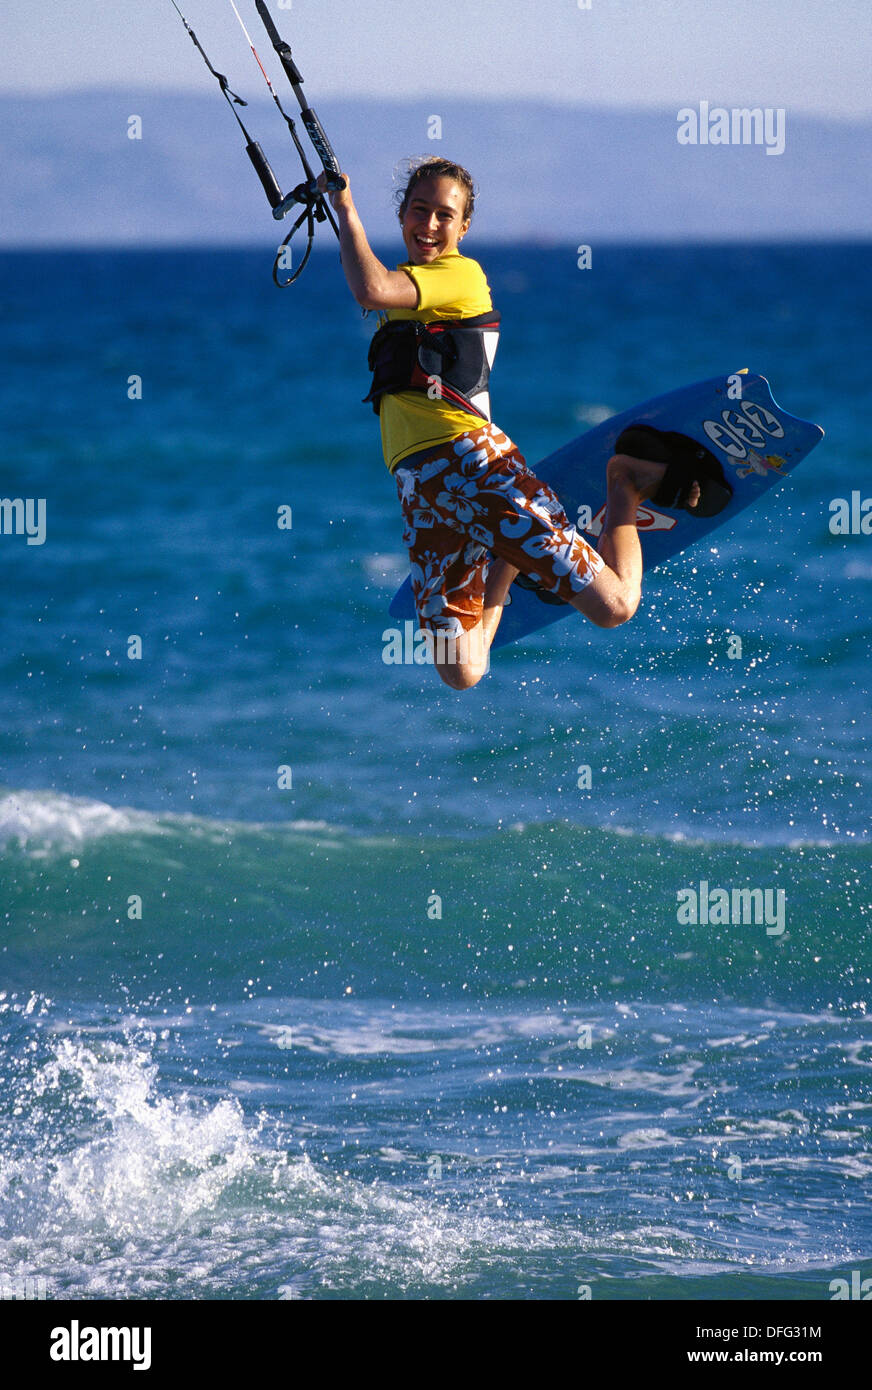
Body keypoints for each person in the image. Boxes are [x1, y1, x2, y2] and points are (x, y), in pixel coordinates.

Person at [318, 157, 730, 690]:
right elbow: (378, 287)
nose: (431, 225)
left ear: (463, 228)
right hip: (421, 489)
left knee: (615, 607)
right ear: (402, 215)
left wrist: (344, 207)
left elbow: (369, 288)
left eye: (446, 215)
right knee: (463, 671)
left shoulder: (459, 275)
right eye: (420, 211)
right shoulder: (410, 291)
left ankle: (624, 480)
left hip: (472, 466)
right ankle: (506, 556)